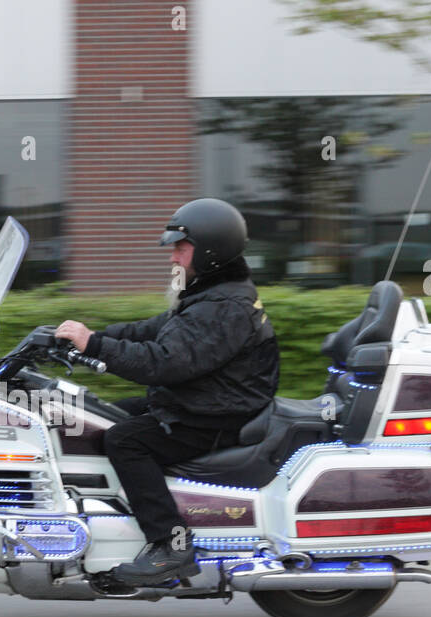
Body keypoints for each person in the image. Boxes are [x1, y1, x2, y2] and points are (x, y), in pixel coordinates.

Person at [54, 198, 279, 585]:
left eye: (180, 247)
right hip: (205, 400)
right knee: (97, 413)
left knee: (125, 440)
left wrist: (95, 346)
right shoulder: (211, 292)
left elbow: (165, 362)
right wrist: (91, 337)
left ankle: (170, 545)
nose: (172, 256)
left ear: (210, 251)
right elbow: (157, 329)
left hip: (217, 415)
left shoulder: (223, 306)